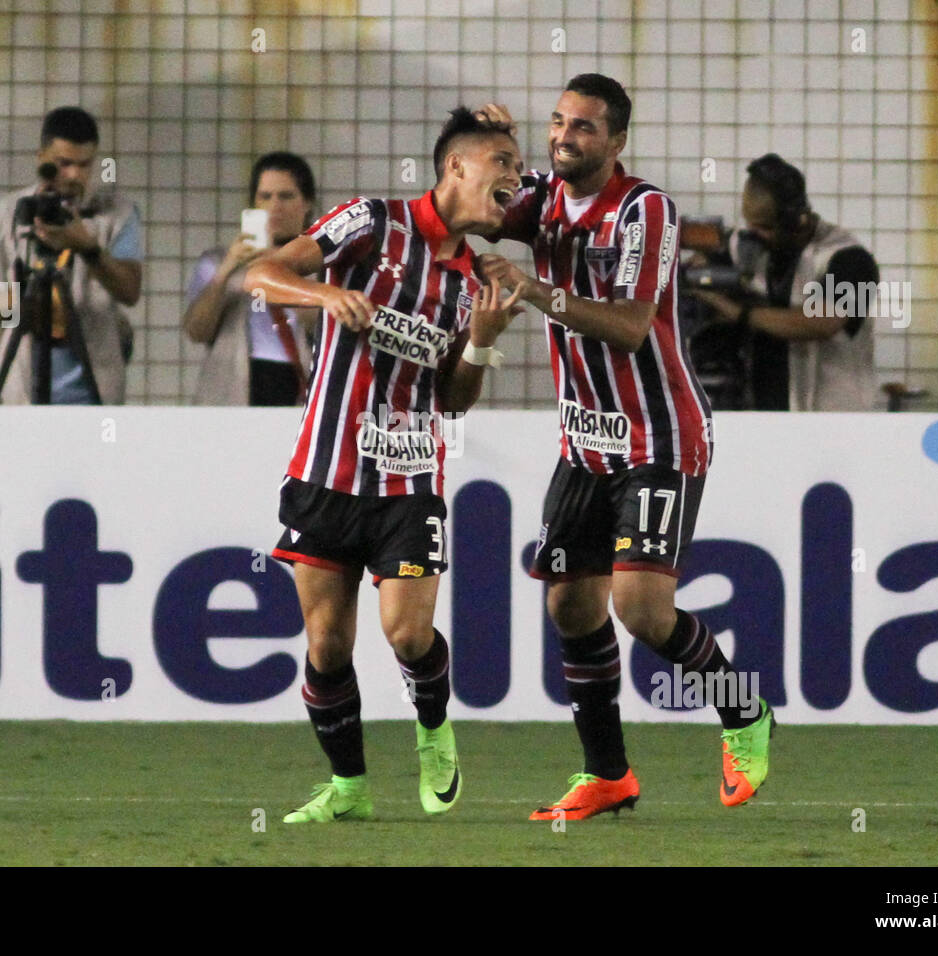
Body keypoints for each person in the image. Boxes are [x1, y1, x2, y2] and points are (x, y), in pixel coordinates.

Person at [475, 74, 773, 820]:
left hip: (659, 434)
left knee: (642, 609)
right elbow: (468, 210)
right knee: (572, 607)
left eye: (583, 127)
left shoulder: (645, 211)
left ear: (616, 142)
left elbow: (634, 325)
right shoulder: (538, 195)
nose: (564, 136)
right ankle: (608, 775)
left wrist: (536, 291)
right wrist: (492, 154)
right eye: (556, 123)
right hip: (585, 442)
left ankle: (745, 712)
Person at [243, 108, 524, 823]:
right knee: (328, 644)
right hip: (326, 470)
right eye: (505, 164)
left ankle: (433, 730)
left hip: (408, 475)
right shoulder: (372, 223)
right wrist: (325, 293)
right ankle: (349, 788)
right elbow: (263, 272)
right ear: (456, 166)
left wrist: (484, 341)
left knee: (406, 633)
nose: (517, 179)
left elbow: (454, 402)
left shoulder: (476, 279)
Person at [0, 106, 142, 404]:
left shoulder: (116, 216)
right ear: (41, 159)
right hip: (15, 394)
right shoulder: (3, 215)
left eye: (84, 165)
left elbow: (129, 290)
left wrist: (88, 247)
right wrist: (24, 306)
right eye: (63, 163)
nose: (74, 175)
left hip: (92, 395)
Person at [690, 154, 879, 410]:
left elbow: (823, 323)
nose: (757, 235)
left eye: (765, 227)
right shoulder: (753, 245)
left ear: (796, 221)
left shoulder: (850, 259)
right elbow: (707, 259)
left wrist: (737, 312)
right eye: (751, 225)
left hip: (835, 419)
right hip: (768, 417)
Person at [183, 152, 319, 406]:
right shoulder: (218, 262)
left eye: (286, 196)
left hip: (299, 384)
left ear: (307, 203)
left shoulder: (325, 265)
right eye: (265, 196)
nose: (274, 206)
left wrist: (281, 271)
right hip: (232, 388)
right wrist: (226, 271)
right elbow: (196, 331)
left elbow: (326, 324)